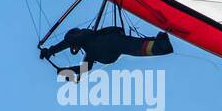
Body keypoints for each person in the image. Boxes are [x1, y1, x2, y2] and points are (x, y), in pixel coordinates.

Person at [40, 26, 173, 77]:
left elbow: (69, 41)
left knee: (133, 46)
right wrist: (65, 71)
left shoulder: (84, 35)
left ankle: (161, 44)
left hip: (111, 42)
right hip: (109, 50)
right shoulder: (89, 51)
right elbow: (84, 68)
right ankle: (161, 45)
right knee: (133, 47)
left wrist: (50, 51)